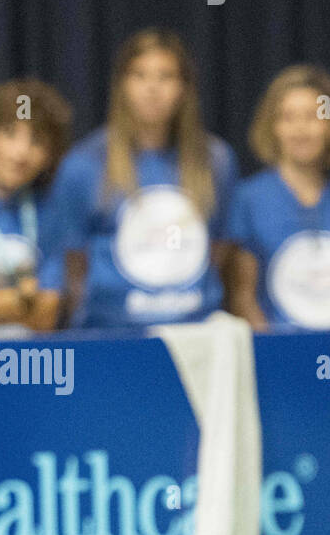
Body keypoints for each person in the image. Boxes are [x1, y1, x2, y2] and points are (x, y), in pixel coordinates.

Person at [39, 29, 238, 329]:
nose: (152, 88)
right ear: (121, 85)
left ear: (184, 87)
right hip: (111, 334)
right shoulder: (83, 165)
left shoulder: (217, 160)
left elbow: (221, 250)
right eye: (139, 76)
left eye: (165, 76)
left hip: (197, 332)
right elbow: (73, 263)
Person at [223, 65, 330, 333]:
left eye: (313, 116)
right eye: (288, 117)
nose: (300, 128)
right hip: (278, 355)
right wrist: (275, 355)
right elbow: (242, 298)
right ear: (273, 126)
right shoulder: (248, 200)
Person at [0, 78, 72, 333]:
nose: (21, 153)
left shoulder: (51, 206)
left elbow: (48, 314)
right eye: (10, 134)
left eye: (37, 142)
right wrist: (25, 298)